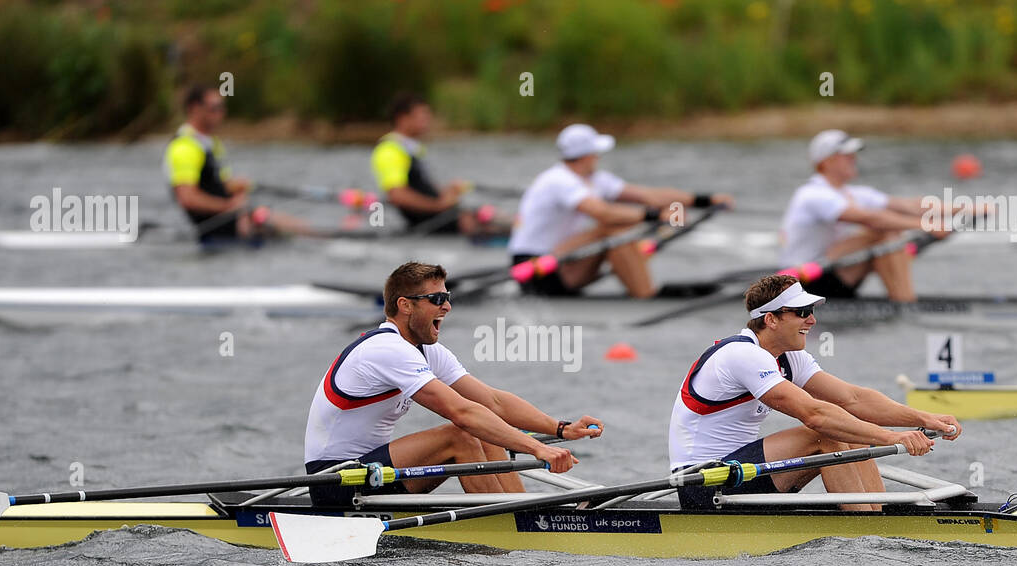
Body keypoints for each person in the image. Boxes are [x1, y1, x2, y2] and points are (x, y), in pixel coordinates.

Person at [304, 261, 604, 506]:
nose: (446, 307)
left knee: (487, 427)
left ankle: (522, 509)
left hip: (374, 474)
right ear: (405, 305)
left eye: (447, 298)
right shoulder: (385, 349)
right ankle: (510, 519)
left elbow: (493, 402)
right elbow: (461, 413)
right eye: (436, 300)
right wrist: (537, 448)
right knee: (461, 433)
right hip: (336, 481)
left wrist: (560, 428)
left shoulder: (426, 350)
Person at [668, 274, 961, 510]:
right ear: (771, 319)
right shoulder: (741, 355)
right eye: (802, 312)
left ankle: (877, 516)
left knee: (850, 428)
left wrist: (925, 417)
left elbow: (853, 399)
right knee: (825, 433)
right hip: (704, 487)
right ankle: (867, 534)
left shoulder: (787, 355)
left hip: (738, 477)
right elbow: (815, 415)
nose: (812, 320)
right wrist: (893, 436)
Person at [507, 124, 734, 298]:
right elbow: (602, 213)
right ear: (586, 155)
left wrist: (704, 200)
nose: (598, 157)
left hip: (563, 261)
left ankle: (641, 288)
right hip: (535, 269)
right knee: (614, 227)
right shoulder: (558, 180)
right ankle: (645, 295)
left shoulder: (594, 179)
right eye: (596, 152)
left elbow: (648, 196)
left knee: (621, 225)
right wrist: (653, 215)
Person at [778, 129, 965, 302]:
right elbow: (870, 218)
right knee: (882, 232)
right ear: (826, 162)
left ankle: (903, 300)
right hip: (804, 282)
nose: (854, 159)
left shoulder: (854, 193)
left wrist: (972, 208)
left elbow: (910, 205)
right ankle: (905, 302)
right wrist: (925, 225)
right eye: (847, 156)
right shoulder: (812, 194)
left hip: (835, 272)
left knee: (890, 235)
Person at [163, 85, 314, 244]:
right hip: (214, 228)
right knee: (283, 225)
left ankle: (317, 235)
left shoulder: (210, 143)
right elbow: (188, 198)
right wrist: (229, 206)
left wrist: (238, 188)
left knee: (289, 225)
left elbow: (220, 185)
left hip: (233, 219)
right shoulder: (184, 147)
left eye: (222, 107)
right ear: (194, 108)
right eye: (214, 108)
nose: (221, 113)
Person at [370, 93, 508, 237]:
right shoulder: (390, 150)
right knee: (485, 221)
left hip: (437, 216)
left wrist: (447, 192)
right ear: (403, 119)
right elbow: (397, 195)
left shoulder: (410, 148)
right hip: (425, 222)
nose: (428, 121)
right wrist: (440, 205)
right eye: (422, 117)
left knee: (488, 216)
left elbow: (420, 186)